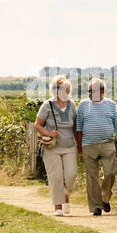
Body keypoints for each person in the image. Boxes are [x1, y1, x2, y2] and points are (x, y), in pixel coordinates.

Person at [75, 77, 117, 216]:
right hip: (88, 145)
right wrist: (78, 146)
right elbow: (78, 127)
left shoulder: (111, 104)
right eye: (89, 91)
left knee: (110, 173)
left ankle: (104, 199)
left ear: (102, 91)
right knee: (91, 177)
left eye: (93, 91)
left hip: (107, 144)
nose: (90, 93)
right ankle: (96, 207)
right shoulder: (83, 105)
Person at [35, 75, 78, 218]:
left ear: (66, 89)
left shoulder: (72, 105)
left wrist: (79, 145)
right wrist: (48, 132)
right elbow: (37, 125)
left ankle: (66, 194)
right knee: (56, 177)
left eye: (59, 88)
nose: (56, 90)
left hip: (69, 146)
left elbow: (75, 126)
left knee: (71, 175)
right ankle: (58, 206)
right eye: (54, 88)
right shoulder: (47, 105)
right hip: (51, 147)